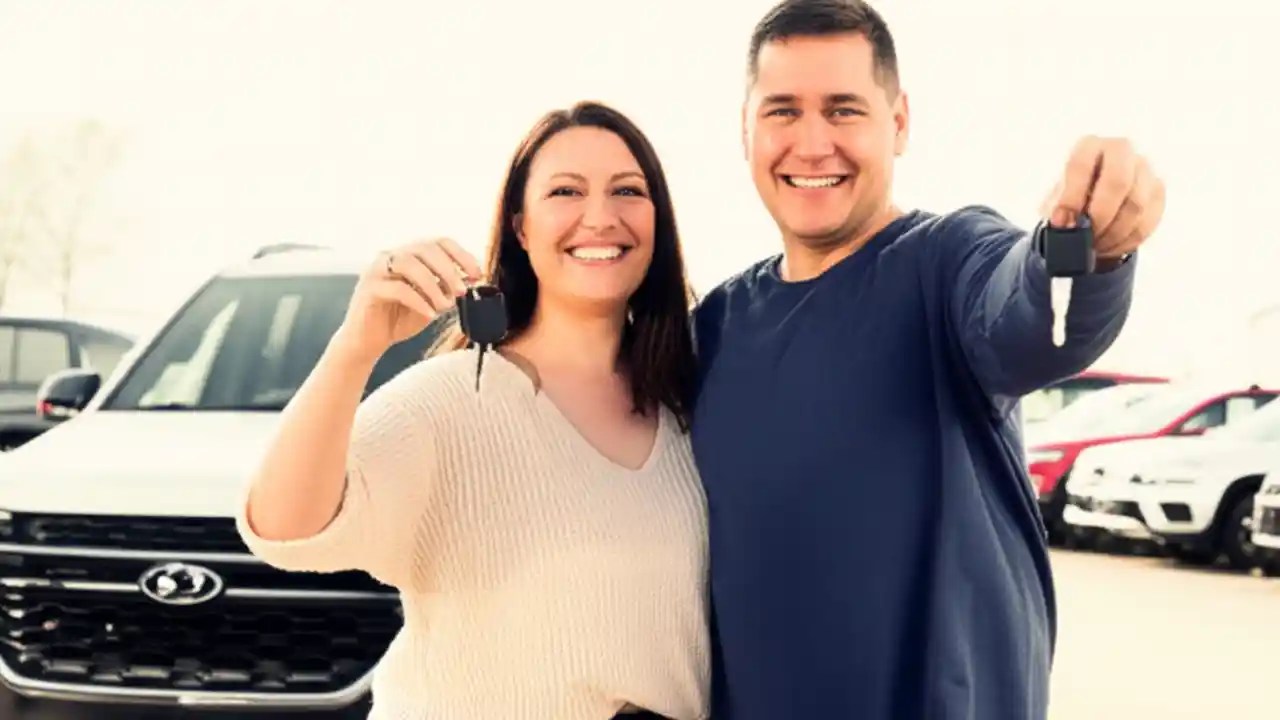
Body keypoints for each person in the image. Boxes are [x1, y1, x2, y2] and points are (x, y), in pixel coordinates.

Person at [690, 1, 1166, 719]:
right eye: (783, 111)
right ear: (745, 131)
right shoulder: (716, 325)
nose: (812, 143)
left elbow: (1029, 315)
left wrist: (1093, 250)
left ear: (900, 122)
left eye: (844, 110)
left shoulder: (946, 264)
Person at [235, 101, 710, 720]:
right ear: (520, 226)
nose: (601, 216)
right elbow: (285, 529)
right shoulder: (451, 399)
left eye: (628, 190)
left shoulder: (688, 408)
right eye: (566, 191)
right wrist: (356, 346)